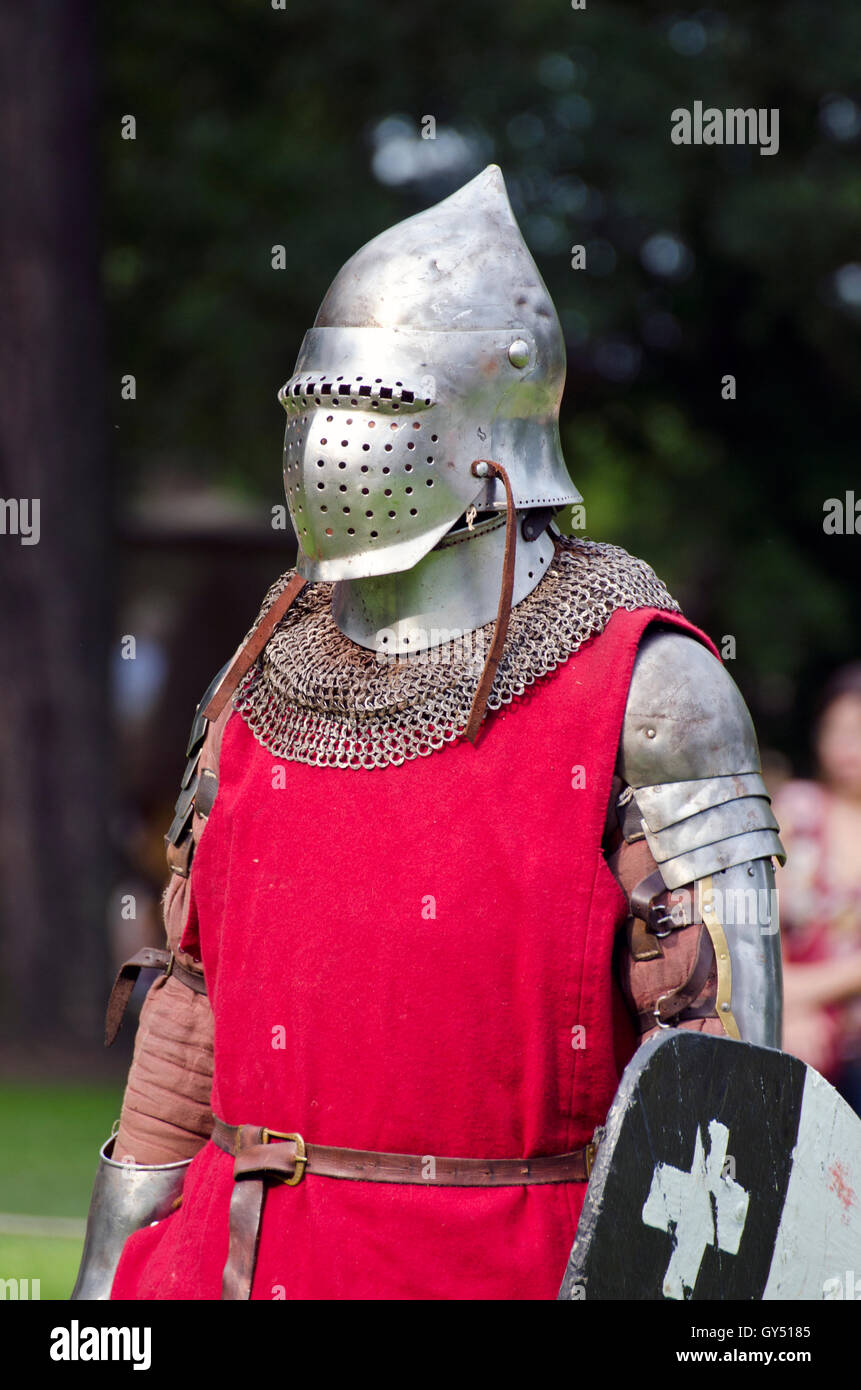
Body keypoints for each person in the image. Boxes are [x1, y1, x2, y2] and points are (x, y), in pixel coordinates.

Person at [72, 166, 784, 1301]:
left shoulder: (650, 687)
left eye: (378, 406)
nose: (332, 442)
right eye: (313, 406)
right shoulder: (263, 664)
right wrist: (106, 1287)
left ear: (494, 419)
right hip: (231, 1265)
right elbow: (190, 1009)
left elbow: (727, 1073)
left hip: (501, 1267)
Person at [775, 664, 861, 1114]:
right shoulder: (795, 815)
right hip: (796, 1035)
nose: (849, 747)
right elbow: (757, 951)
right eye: (839, 730)